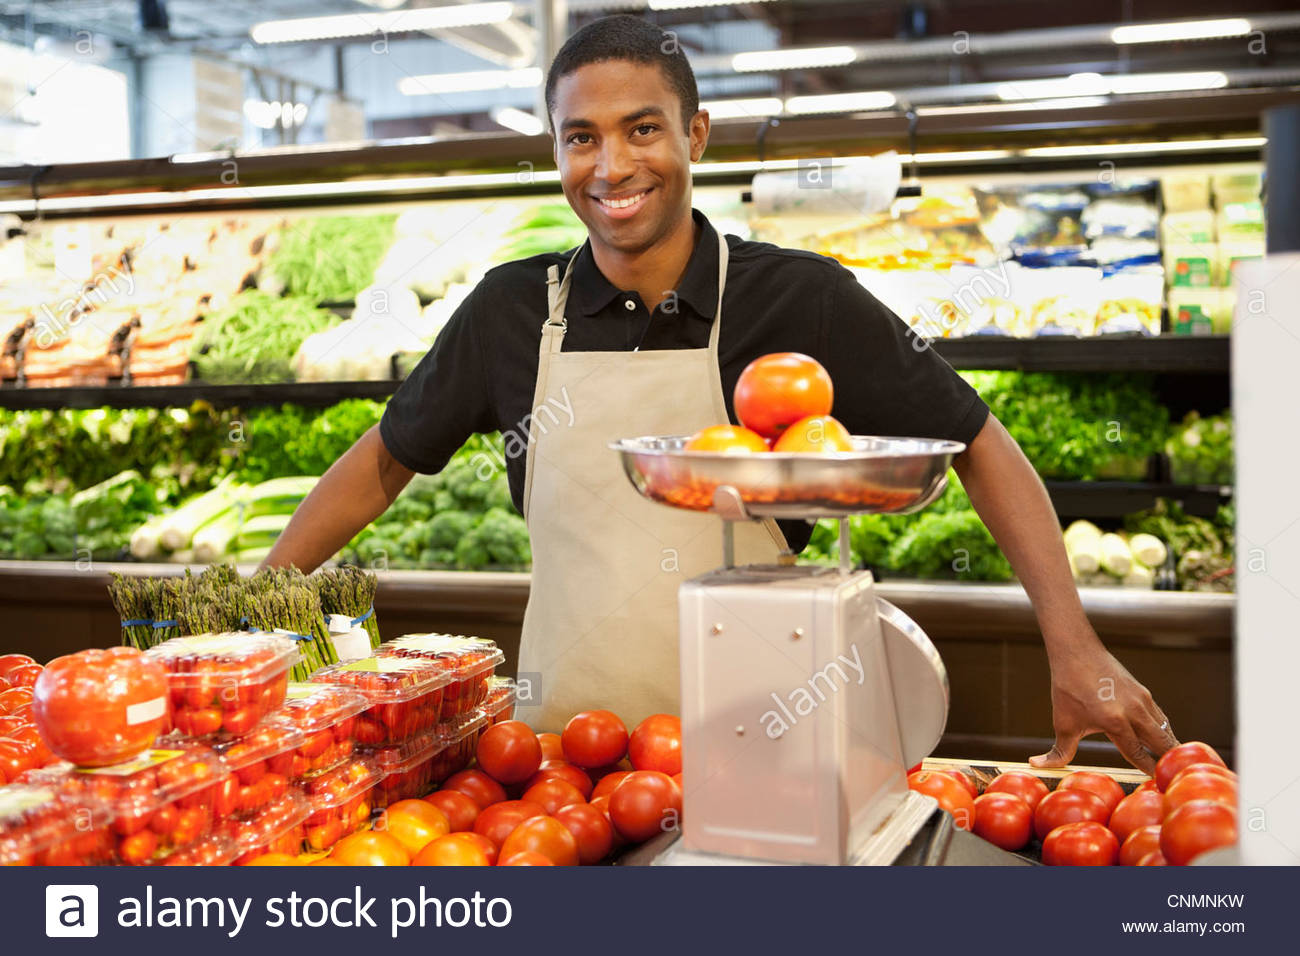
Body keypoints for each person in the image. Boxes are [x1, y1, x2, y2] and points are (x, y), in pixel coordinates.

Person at [264, 14, 1177, 773]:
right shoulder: (511, 308)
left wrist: (1073, 644)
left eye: (642, 129)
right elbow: (385, 458)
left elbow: (980, 443)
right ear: (555, 151)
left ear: (695, 136)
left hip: (767, 749)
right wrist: (254, 610)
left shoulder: (801, 298)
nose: (611, 166)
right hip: (561, 760)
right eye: (580, 137)